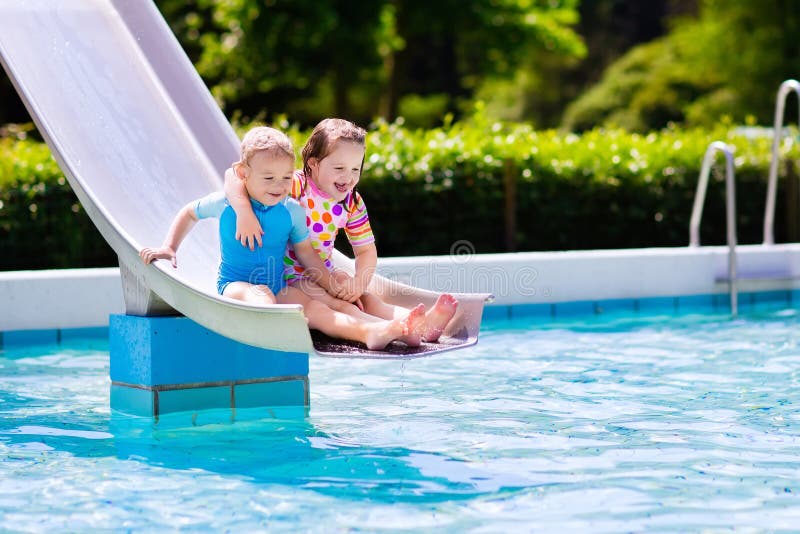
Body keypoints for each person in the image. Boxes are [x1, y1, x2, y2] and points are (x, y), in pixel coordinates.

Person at [140, 126, 423, 350]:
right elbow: (190, 212)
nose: (279, 186)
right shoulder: (227, 204)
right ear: (244, 174)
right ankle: (269, 330)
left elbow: (307, 254)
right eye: (269, 178)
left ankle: (374, 331)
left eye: (286, 178)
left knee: (321, 309)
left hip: (280, 284)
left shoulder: (292, 211)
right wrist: (169, 246)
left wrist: (329, 284)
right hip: (236, 283)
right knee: (261, 295)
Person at [224, 119, 457, 347]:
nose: (348, 177)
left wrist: (358, 282)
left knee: (364, 298)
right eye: (339, 168)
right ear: (314, 164)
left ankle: (423, 323)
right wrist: (244, 212)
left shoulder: (351, 202)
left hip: (323, 272)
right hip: (290, 276)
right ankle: (400, 330)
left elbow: (365, 250)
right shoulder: (293, 184)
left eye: (356, 168)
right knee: (338, 306)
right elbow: (232, 176)